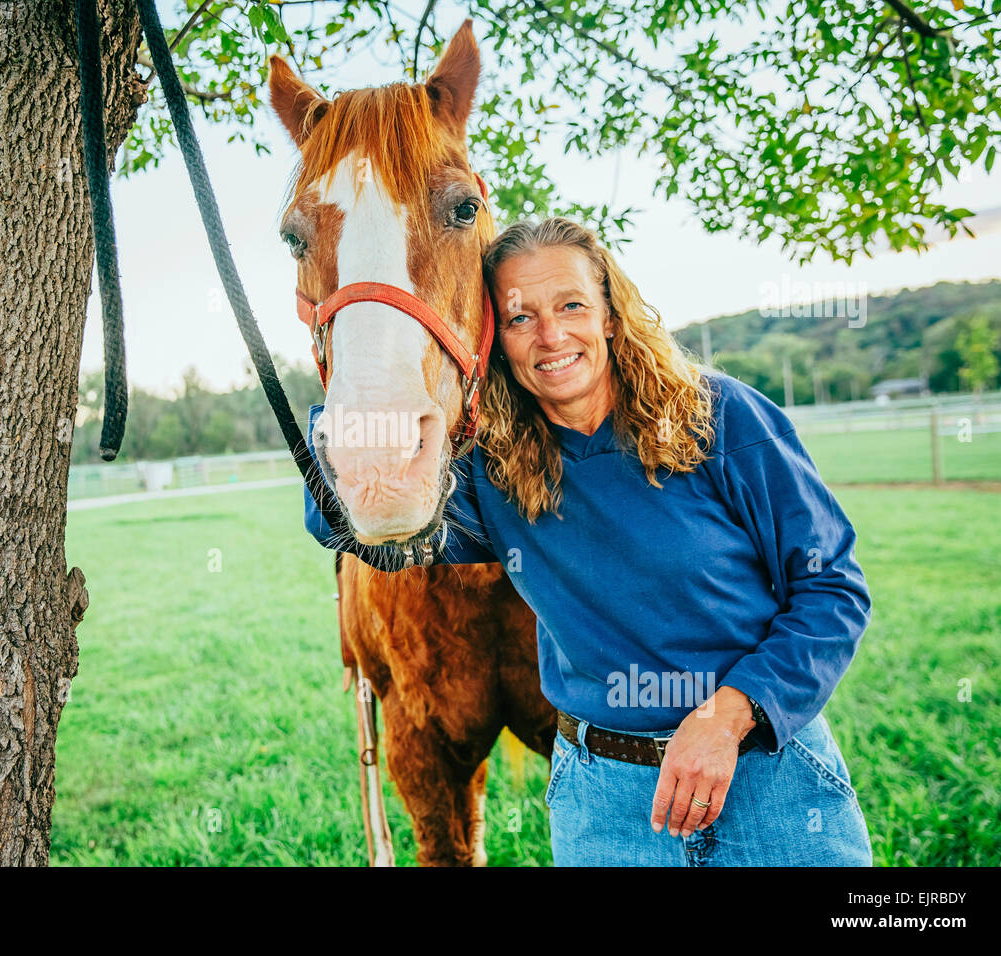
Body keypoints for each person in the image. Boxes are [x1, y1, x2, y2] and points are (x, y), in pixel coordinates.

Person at [303, 217, 875, 866]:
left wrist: (729, 716)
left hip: (767, 778)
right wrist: (350, 347)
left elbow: (833, 591)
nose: (550, 335)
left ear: (609, 312)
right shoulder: (493, 476)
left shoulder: (720, 417)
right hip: (608, 808)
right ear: (494, 340)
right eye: (519, 318)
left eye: (571, 305)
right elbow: (349, 523)